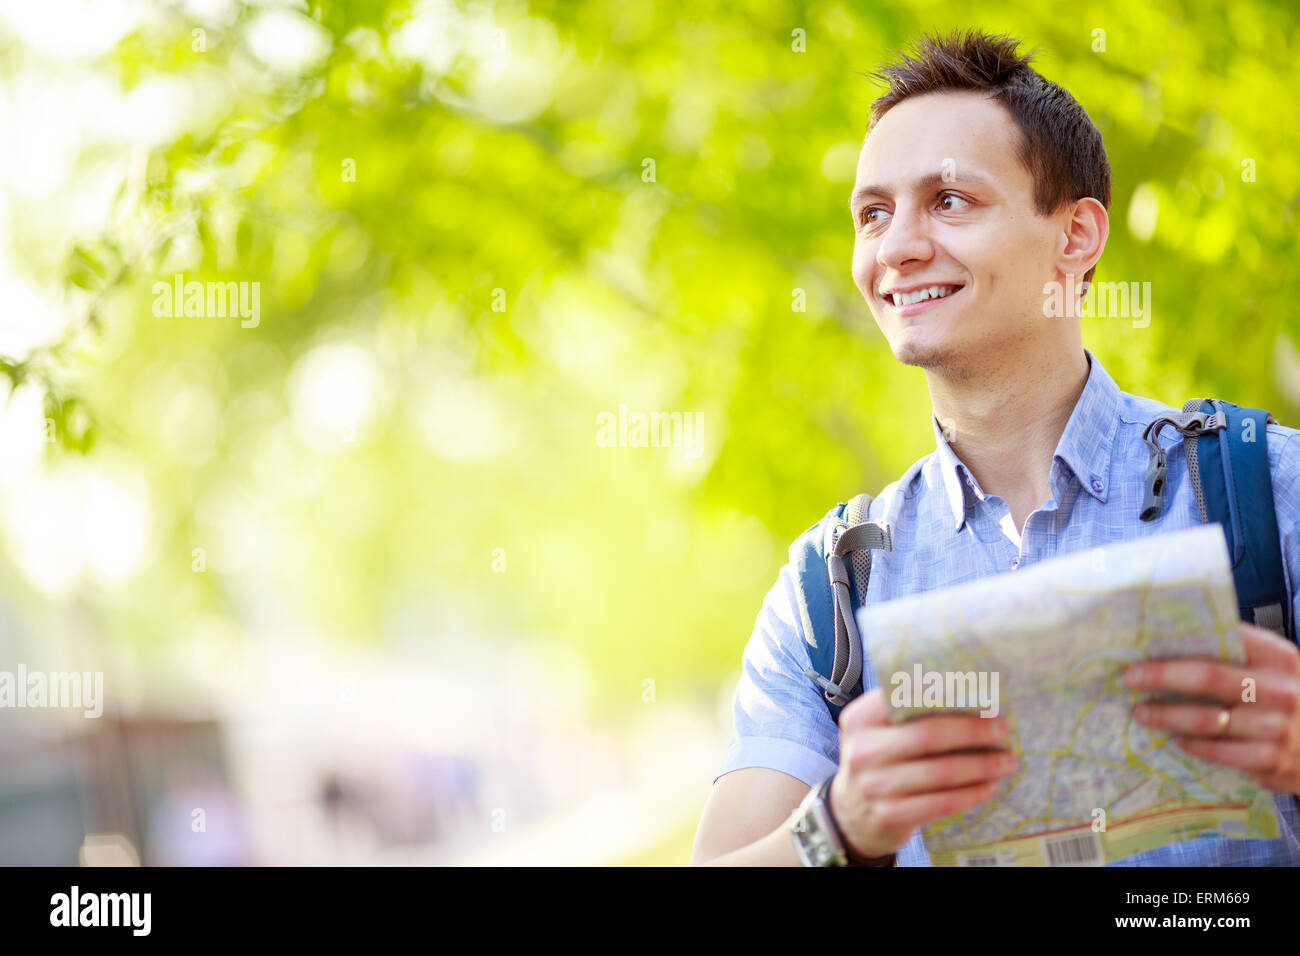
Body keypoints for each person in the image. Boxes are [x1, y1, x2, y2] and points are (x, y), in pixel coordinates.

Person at [690, 28, 1300, 866]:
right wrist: (838, 827)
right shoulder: (828, 594)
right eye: (873, 213)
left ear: (1077, 237)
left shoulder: (1272, 494)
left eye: (949, 201)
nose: (896, 246)